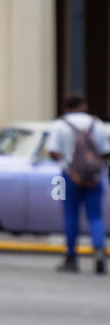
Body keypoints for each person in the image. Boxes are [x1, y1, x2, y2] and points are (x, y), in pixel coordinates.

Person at [47, 93, 109, 274]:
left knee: (70, 215)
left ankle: (71, 257)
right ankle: (98, 250)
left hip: (68, 175)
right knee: (96, 216)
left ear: (66, 107)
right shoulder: (95, 123)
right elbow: (105, 151)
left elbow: (52, 151)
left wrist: (68, 158)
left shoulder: (60, 124)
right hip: (94, 176)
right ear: (83, 105)